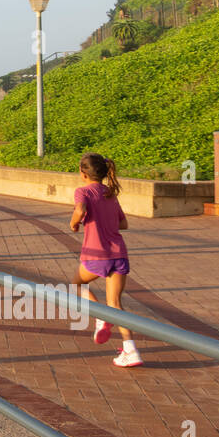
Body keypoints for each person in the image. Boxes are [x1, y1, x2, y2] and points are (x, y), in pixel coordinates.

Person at [69, 153, 141, 368]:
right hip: (119, 253)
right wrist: (106, 222)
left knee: (77, 284)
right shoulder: (110, 193)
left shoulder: (82, 191)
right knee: (116, 304)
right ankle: (131, 350)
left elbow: (80, 210)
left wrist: (74, 223)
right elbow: (124, 224)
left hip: (97, 254)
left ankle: (100, 318)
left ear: (83, 174)